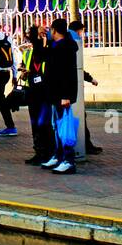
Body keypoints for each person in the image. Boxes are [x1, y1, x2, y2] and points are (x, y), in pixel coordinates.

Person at [43, 18, 80, 174]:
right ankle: (58, 156)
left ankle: (68, 160)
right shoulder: (56, 45)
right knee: (57, 126)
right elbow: (45, 55)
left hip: (62, 94)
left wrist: (66, 96)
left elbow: (67, 74)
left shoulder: (65, 48)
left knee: (64, 127)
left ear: (54, 30)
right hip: (55, 93)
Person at [19, 24, 54, 166]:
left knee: (44, 124)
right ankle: (39, 152)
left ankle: (48, 153)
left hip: (45, 94)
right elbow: (27, 67)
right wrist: (25, 71)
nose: (41, 36)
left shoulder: (49, 51)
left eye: (44, 34)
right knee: (35, 124)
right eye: (40, 34)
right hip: (32, 92)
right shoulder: (31, 52)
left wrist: (44, 36)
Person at [67, 19, 102, 155]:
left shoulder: (63, 42)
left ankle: (84, 145)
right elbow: (77, 68)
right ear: (78, 31)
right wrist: (90, 79)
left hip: (66, 89)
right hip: (70, 90)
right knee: (79, 116)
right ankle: (83, 145)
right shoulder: (72, 44)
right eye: (82, 31)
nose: (82, 35)